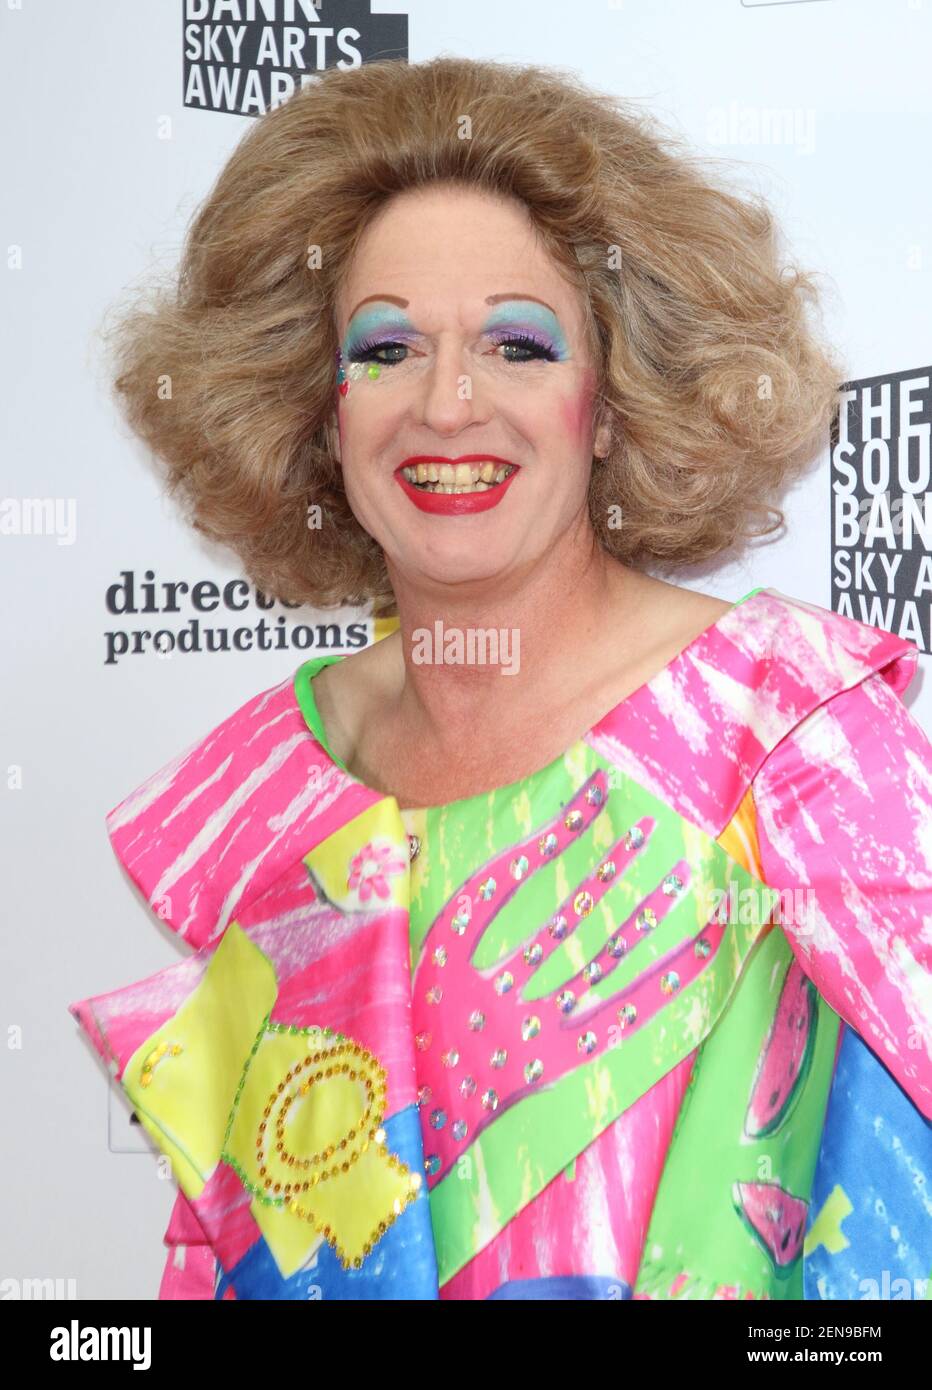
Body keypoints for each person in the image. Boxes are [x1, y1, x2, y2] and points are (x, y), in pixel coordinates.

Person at [71, 55, 931, 1301]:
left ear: (610, 403)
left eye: (516, 345)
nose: (448, 403)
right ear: (318, 413)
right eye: (385, 349)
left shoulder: (786, 725)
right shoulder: (268, 788)